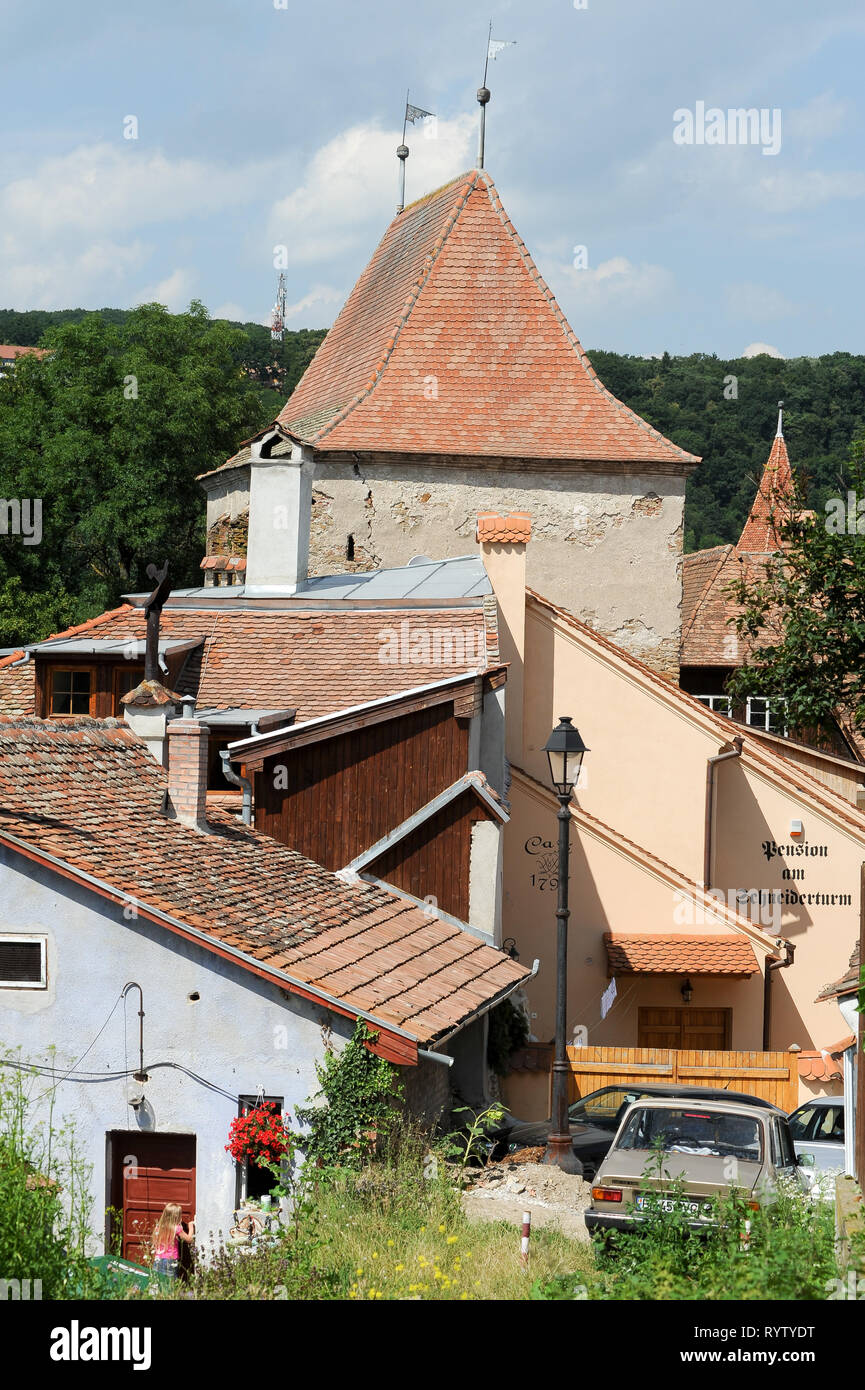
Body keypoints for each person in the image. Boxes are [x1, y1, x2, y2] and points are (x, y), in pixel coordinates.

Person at [151, 1202, 195, 1280]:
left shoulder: (159, 1227)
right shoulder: (176, 1228)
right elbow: (189, 1239)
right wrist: (191, 1227)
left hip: (158, 1259)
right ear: (176, 1217)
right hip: (171, 1260)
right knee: (170, 1284)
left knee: (157, 1282)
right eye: (180, 1215)